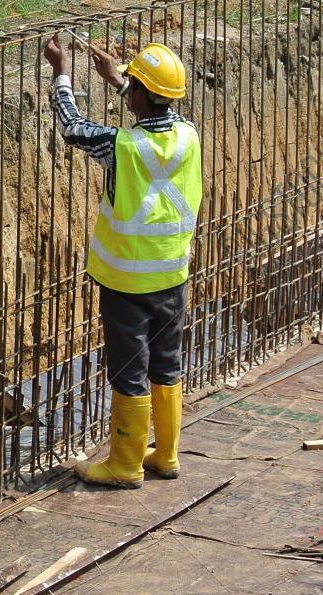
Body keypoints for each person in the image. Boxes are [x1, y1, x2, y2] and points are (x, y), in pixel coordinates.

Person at [45, 37, 202, 488]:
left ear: (139, 95)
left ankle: (126, 464)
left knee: (128, 370)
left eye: (131, 86)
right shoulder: (188, 134)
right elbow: (156, 111)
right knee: (166, 365)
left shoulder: (123, 147)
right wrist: (118, 79)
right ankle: (166, 454)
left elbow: (73, 126)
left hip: (128, 281)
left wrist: (61, 71)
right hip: (172, 273)